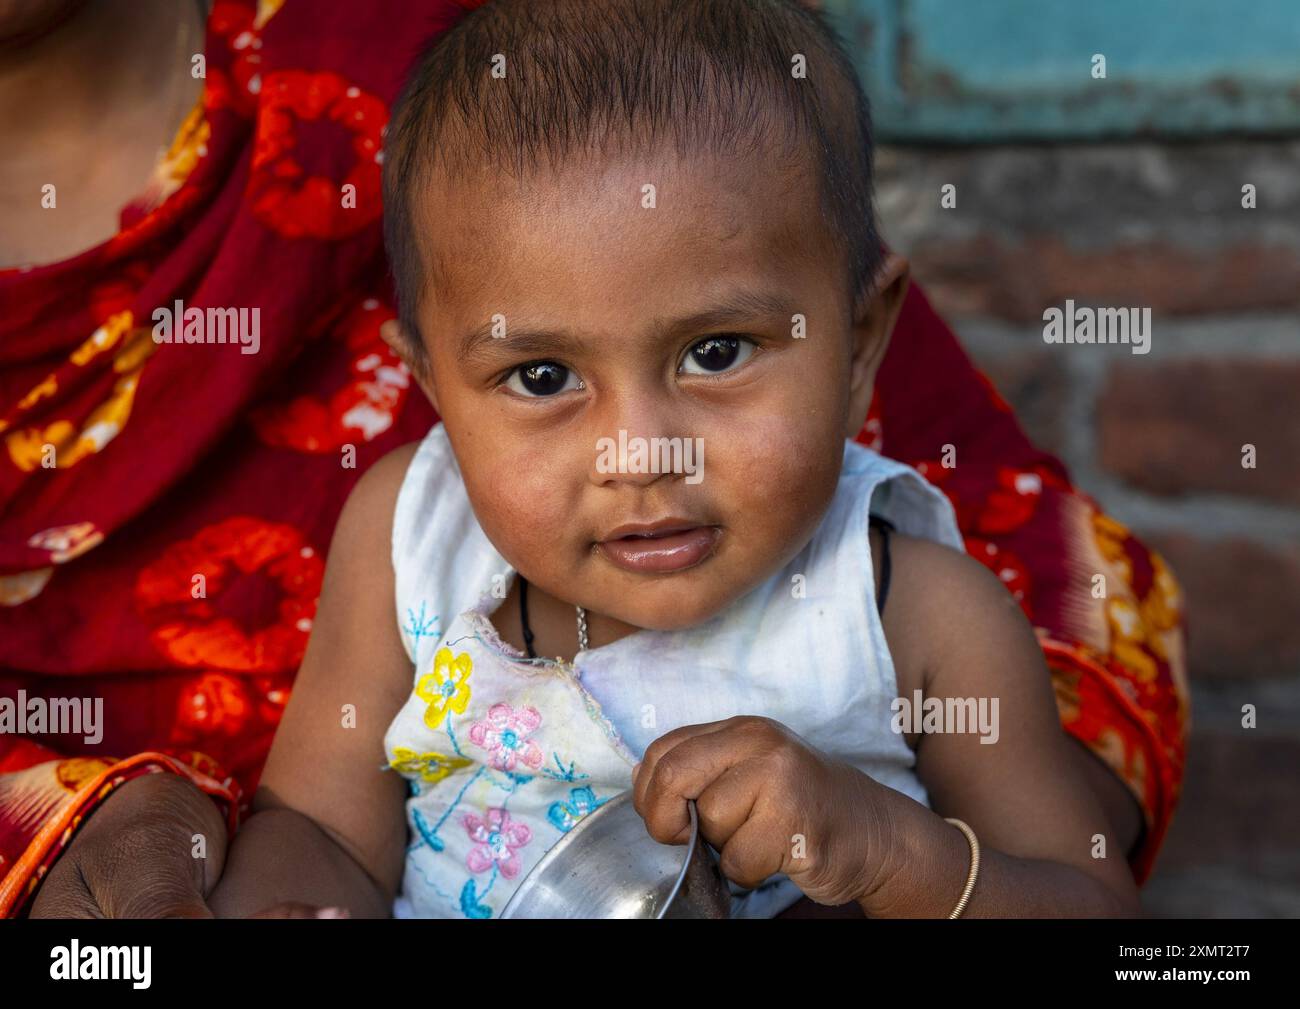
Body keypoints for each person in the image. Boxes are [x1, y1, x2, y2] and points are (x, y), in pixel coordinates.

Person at [1, 0, 1186, 919]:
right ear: (430, 387)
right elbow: (320, 831)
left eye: (715, 353)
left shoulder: (912, 614)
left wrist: (895, 855)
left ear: (863, 342)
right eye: (540, 377)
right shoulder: (409, 548)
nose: (637, 451)